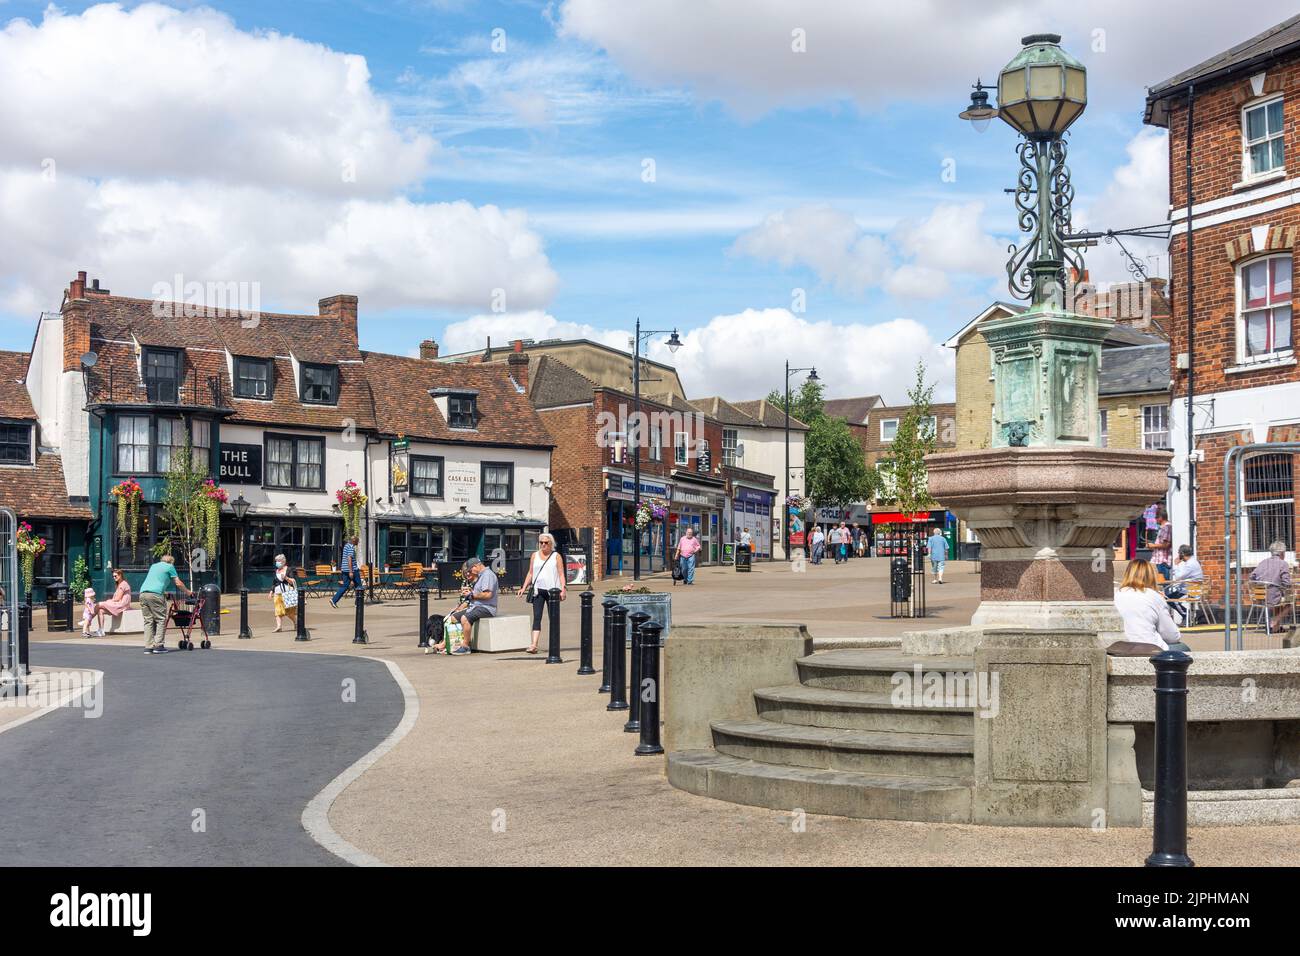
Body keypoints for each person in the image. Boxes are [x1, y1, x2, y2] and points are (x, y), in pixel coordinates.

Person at [1112, 559, 1182, 651]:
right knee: (1182, 648)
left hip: (1119, 647)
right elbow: (1172, 636)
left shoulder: (1116, 594)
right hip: (1149, 648)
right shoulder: (1153, 596)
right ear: (1151, 576)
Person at [520, 533, 565, 655]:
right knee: (537, 617)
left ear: (551, 544)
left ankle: (554, 644)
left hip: (553, 591)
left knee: (553, 618)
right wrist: (523, 587)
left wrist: (563, 589)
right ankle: (534, 644)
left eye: (546, 543)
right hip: (538, 590)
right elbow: (530, 572)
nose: (543, 545)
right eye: (541, 543)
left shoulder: (556, 556)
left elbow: (561, 573)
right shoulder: (534, 555)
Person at [441, 557, 498, 654]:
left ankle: (465, 646)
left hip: (487, 608)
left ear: (475, 566)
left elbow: (488, 594)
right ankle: (447, 643)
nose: (469, 573)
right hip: (476, 606)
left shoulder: (487, 575)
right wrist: (470, 593)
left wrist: (471, 595)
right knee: (453, 618)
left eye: (470, 570)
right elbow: (479, 593)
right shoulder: (481, 575)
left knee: (465, 618)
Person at [139, 554, 190, 654]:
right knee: (161, 619)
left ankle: (148, 647)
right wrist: (188, 592)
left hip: (143, 593)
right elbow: (178, 583)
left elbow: (154, 581)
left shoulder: (153, 566)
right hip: (155, 594)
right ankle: (159, 645)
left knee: (148, 621)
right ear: (171, 562)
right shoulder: (170, 567)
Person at [1249, 540, 1293, 633]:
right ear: (1282, 553)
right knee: (1290, 603)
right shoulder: (1283, 563)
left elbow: (1252, 577)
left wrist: (1260, 585)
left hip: (1260, 597)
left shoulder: (1263, 562)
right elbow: (1286, 583)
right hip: (1273, 596)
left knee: (1279, 601)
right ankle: (1274, 620)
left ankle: (1275, 628)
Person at [1164, 545, 1204, 625]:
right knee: (1168, 594)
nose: (1178, 555)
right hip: (1191, 588)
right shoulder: (1192, 562)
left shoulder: (1190, 564)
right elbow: (1182, 577)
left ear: (1182, 554)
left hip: (1192, 591)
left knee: (1170, 598)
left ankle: (1186, 615)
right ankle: (1186, 615)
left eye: (1179, 553)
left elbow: (1178, 577)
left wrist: (1176, 565)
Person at [94, 567, 133, 634]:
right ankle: (101, 630)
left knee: (99, 604)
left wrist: (110, 600)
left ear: (120, 575)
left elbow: (117, 598)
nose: (114, 577)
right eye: (113, 576)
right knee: (100, 611)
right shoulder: (120, 584)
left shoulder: (123, 584)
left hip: (121, 605)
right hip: (119, 605)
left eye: (115, 576)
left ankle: (89, 618)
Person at [331, 535, 363, 608]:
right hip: (352, 570)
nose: (358, 542)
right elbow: (349, 559)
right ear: (354, 541)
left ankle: (334, 600)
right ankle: (358, 603)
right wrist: (351, 571)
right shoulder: (351, 547)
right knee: (359, 586)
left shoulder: (346, 546)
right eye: (357, 541)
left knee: (345, 586)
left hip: (344, 569)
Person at [270, 555, 298, 632]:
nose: (277, 563)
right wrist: (271, 591)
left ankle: (296, 623)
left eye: (278, 561)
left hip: (287, 593)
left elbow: (293, 581)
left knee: (289, 612)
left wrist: (286, 578)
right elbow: (274, 582)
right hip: (277, 593)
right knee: (278, 611)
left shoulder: (288, 570)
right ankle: (279, 626)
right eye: (276, 561)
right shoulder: (276, 571)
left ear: (283, 562)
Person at [1151, 512, 1172, 580]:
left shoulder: (1166, 527)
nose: (1155, 519)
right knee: (1162, 581)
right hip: (1160, 559)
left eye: (1156, 517)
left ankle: (1166, 591)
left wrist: (1153, 546)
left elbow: (1166, 545)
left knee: (1164, 582)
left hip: (1163, 560)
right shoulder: (1163, 527)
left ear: (1161, 517)